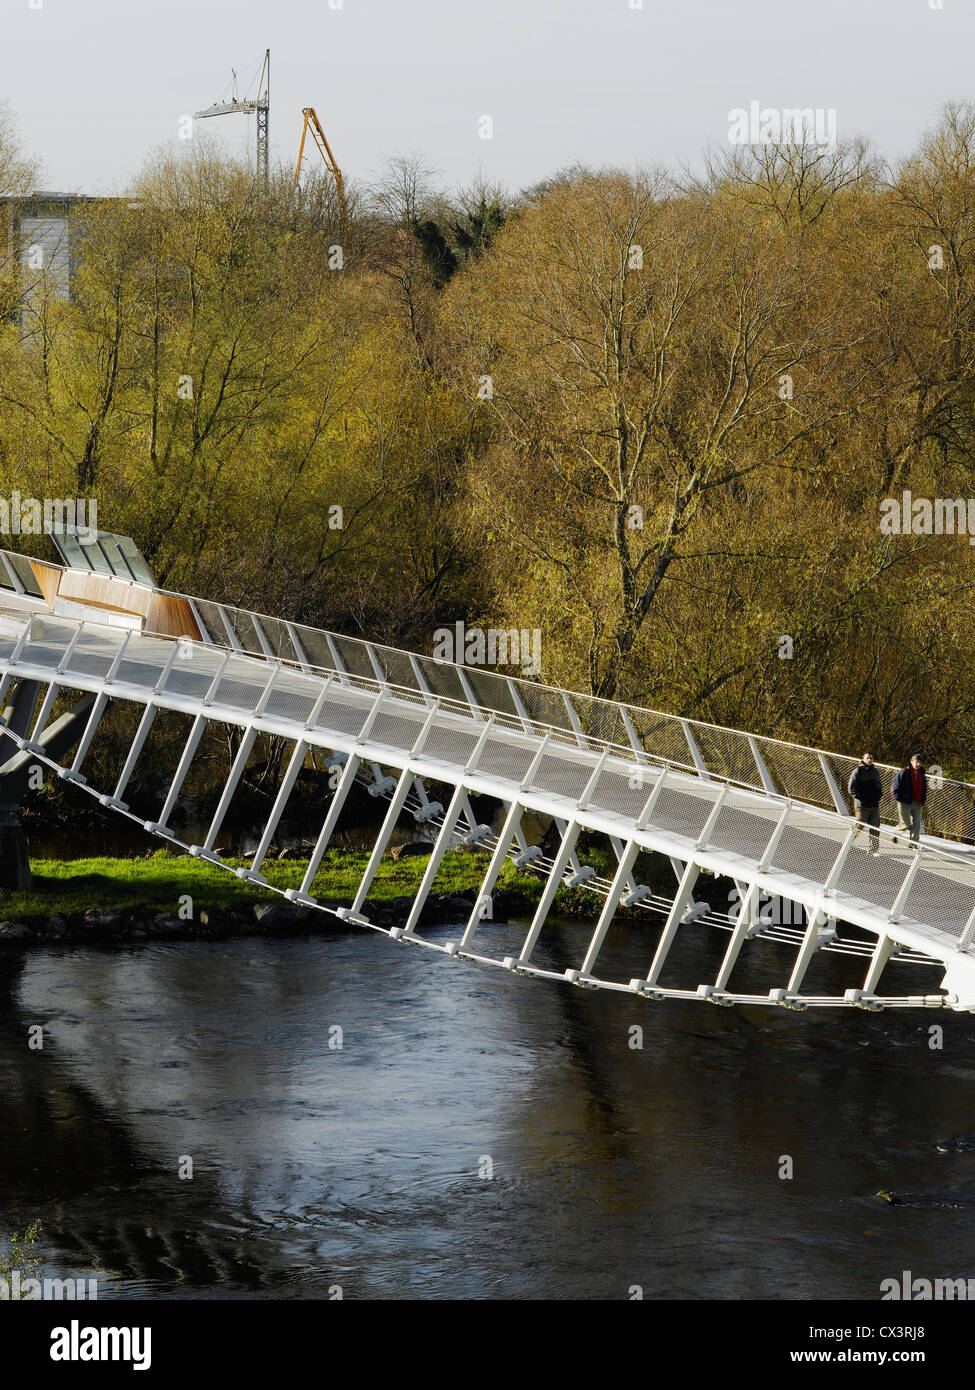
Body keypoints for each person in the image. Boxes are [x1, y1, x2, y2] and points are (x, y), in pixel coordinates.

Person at [848, 752, 882, 853]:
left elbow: (878, 786)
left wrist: (878, 796)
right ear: (863, 759)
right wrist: (860, 797)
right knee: (859, 826)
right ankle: (848, 843)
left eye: (871, 758)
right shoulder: (857, 771)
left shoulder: (875, 771)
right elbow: (851, 788)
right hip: (862, 805)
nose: (870, 760)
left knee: (875, 827)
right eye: (868, 758)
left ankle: (873, 850)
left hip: (874, 805)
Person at [892, 754, 927, 847]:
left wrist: (923, 800)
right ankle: (896, 833)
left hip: (917, 803)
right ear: (911, 762)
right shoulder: (904, 772)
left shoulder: (922, 774)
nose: (918, 764)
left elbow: (924, 789)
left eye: (920, 762)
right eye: (916, 762)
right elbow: (895, 786)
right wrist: (899, 799)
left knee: (916, 824)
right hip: (904, 802)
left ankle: (913, 844)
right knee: (906, 823)